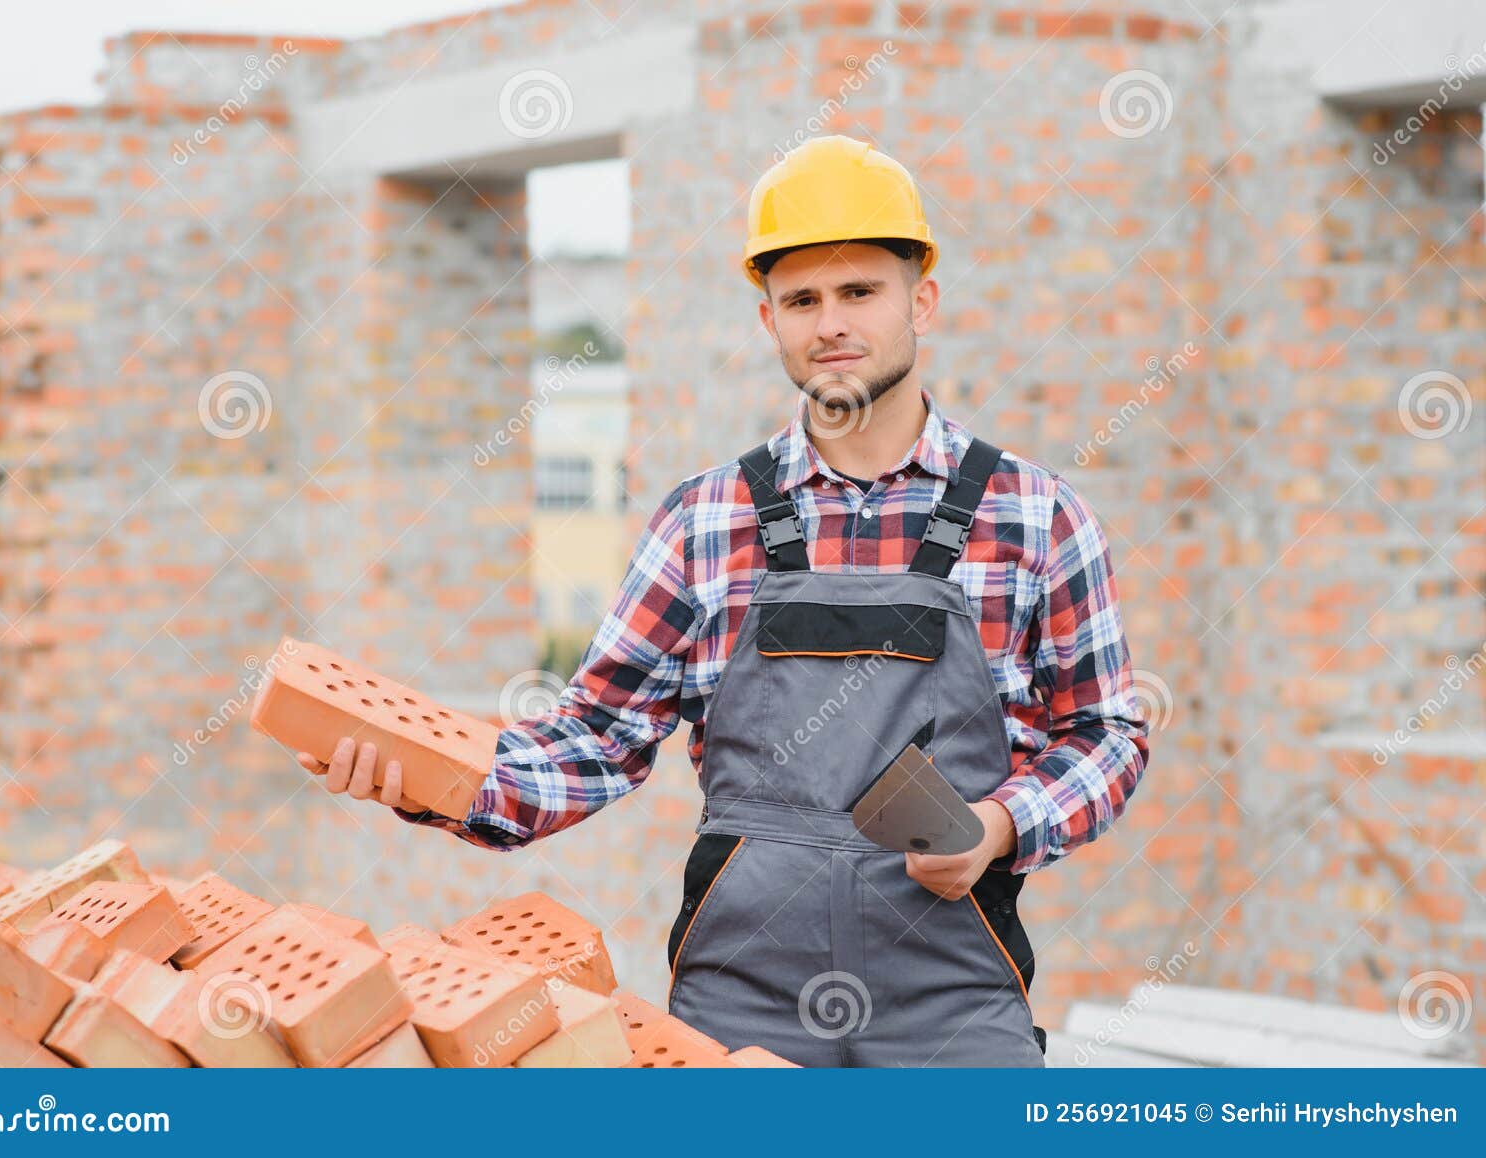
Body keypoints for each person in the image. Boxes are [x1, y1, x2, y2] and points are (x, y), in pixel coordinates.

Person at [298, 135, 1150, 1067]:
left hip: (949, 1003)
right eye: (802, 301)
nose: (831, 323)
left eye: (859, 292)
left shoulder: (1033, 514)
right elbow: (595, 739)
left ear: (923, 299)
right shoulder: (707, 521)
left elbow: (1106, 733)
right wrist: (437, 781)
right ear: (768, 318)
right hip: (744, 1000)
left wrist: (1000, 825)